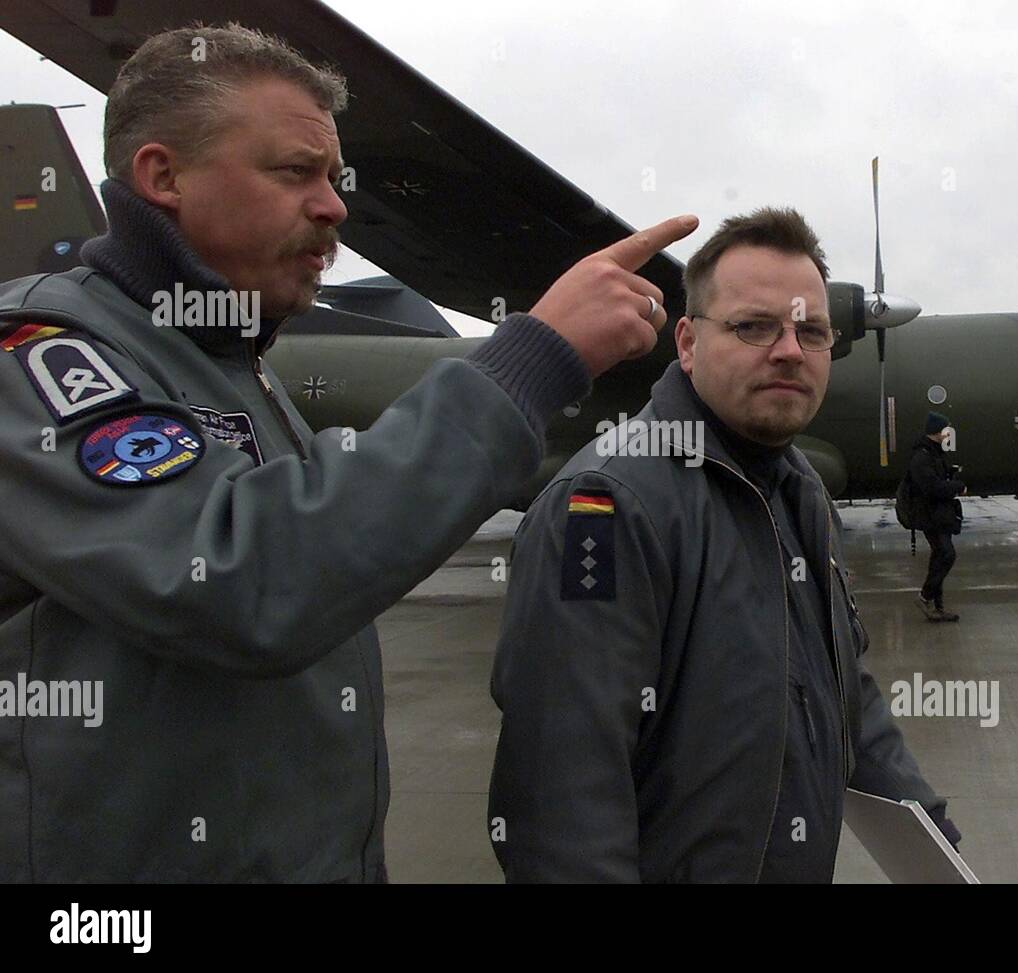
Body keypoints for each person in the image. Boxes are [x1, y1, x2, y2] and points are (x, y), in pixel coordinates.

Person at [0, 23, 696, 882]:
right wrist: (533, 358)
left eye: (333, 178)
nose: (334, 206)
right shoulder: (39, 356)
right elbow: (246, 580)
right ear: (162, 176)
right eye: (295, 172)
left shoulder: (237, 370)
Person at [487, 208, 960, 882]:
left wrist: (934, 843)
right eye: (754, 326)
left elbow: (847, 693)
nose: (790, 349)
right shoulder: (604, 505)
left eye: (812, 330)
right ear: (686, 341)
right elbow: (561, 795)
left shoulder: (801, 493)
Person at [909, 412, 966, 622]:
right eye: (945, 429)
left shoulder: (935, 453)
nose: (948, 432)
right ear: (937, 431)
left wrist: (950, 475)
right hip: (930, 515)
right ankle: (925, 597)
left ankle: (937, 607)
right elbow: (931, 487)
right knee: (946, 554)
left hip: (940, 514)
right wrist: (957, 486)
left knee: (939, 557)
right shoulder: (922, 456)